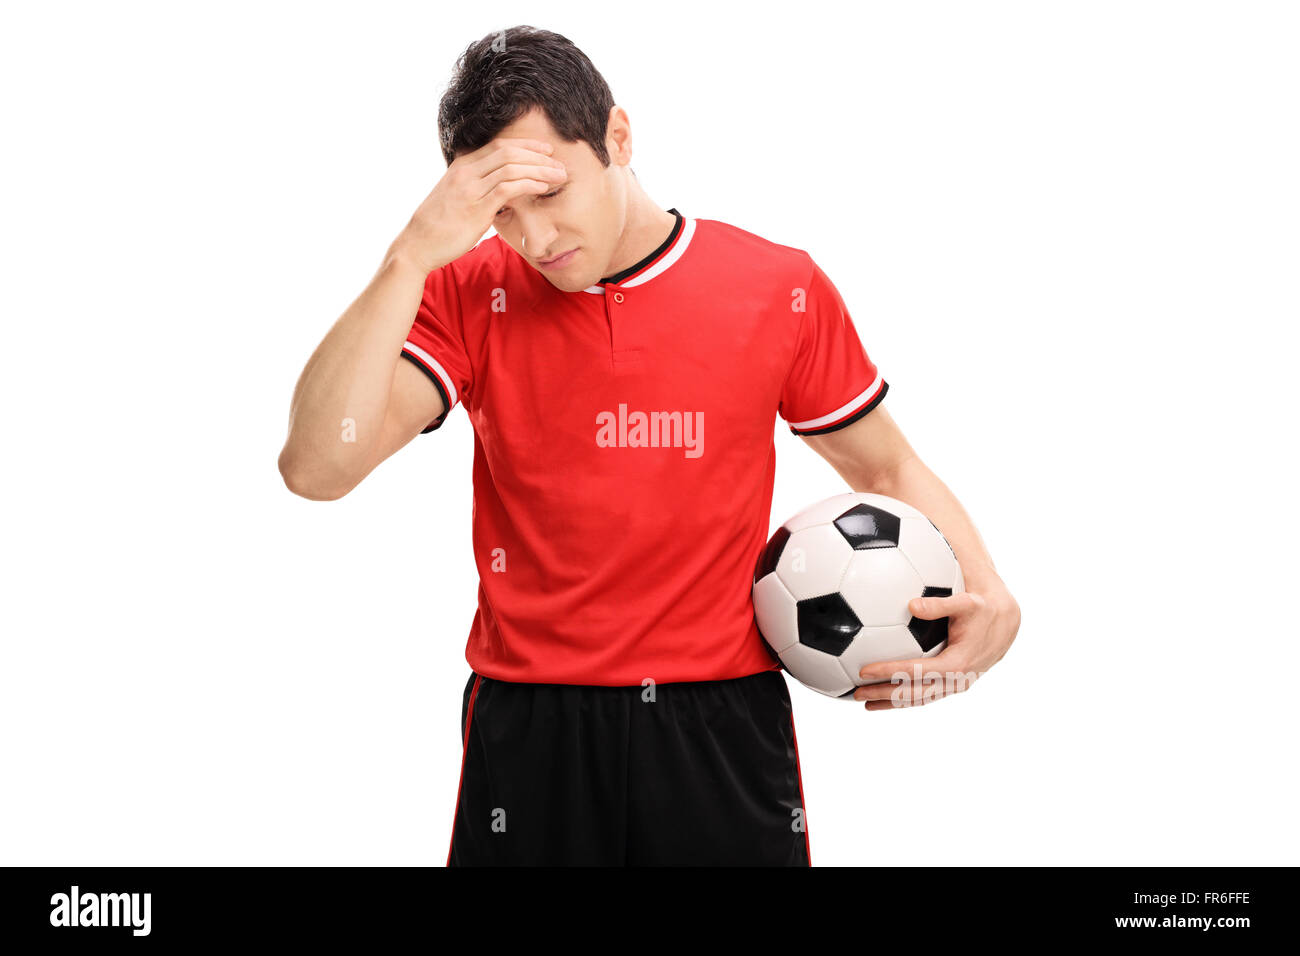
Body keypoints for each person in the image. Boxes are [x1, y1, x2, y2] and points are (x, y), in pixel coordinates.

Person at [277, 25, 1021, 866]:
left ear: (618, 138)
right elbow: (316, 467)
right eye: (500, 211)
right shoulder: (465, 291)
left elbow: (883, 464)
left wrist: (989, 588)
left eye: (550, 192)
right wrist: (409, 254)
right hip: (529, 726)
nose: (533, 237)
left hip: (718, 725)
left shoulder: (777, 287)